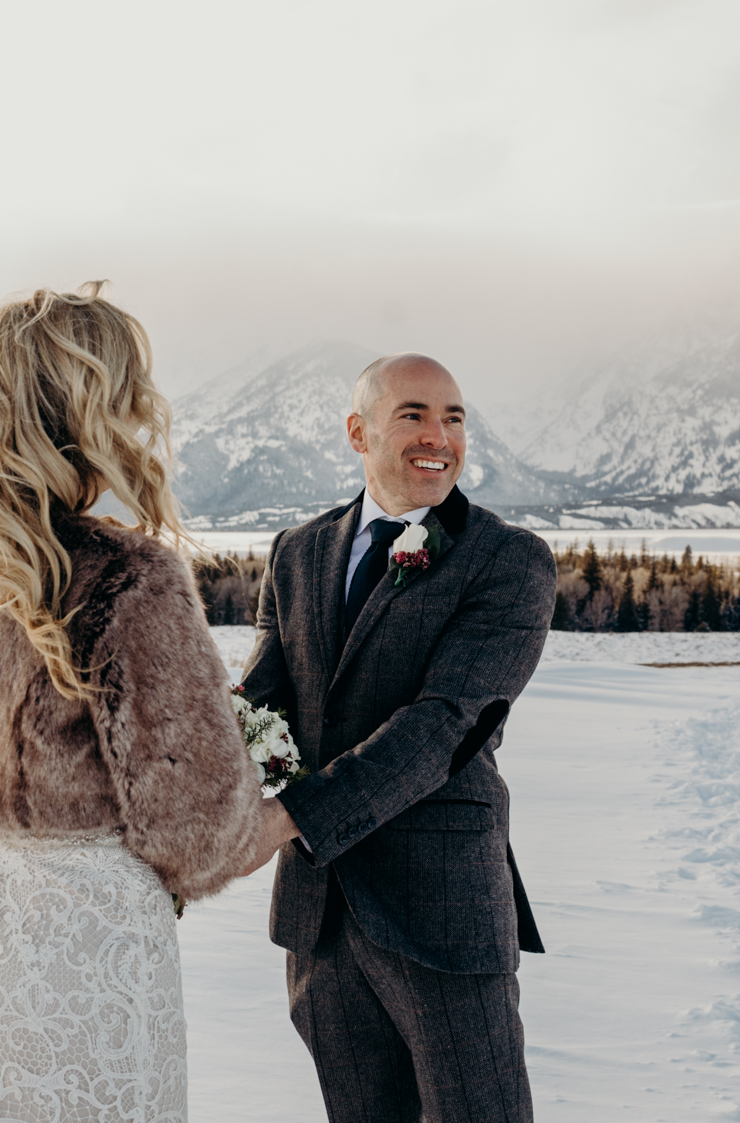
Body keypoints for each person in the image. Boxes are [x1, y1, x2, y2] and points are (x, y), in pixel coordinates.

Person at [0, 283, 267, 1123]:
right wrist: (282, 801)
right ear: (96, 405)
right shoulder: (127, 578)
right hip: (85, 951)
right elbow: (200, 833)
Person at [238, 352, 559, 1123]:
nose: (439, 437)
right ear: (359, 430)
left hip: (442, 908)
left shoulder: (508, 560)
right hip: (319, 919)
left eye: (454, 418)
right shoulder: (298, 551)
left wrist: (297, 815)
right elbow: (260, 704)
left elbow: (446, 724)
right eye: (413, 413)